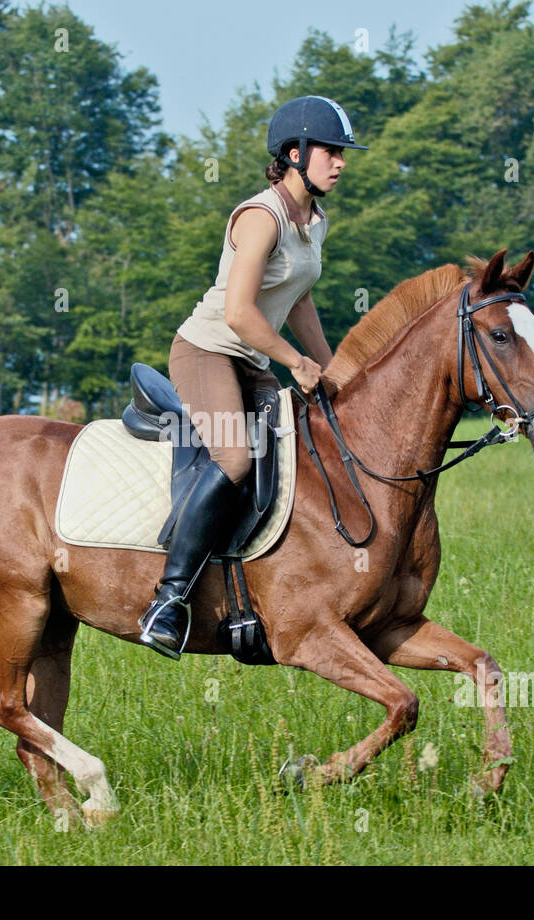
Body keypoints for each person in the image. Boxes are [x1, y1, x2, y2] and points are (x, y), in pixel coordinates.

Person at [138, 95, 368, 659]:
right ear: (295, 153)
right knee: (236, 459)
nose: (340, 162)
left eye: (343, 154)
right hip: (208, 352)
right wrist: (296, 363)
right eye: (331, 152)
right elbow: (241, 314)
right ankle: (168, 600)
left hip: (255, 359)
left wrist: (336, 368)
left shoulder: (314, 221)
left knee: (305, 449)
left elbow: (299, 298)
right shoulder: (260, 216)